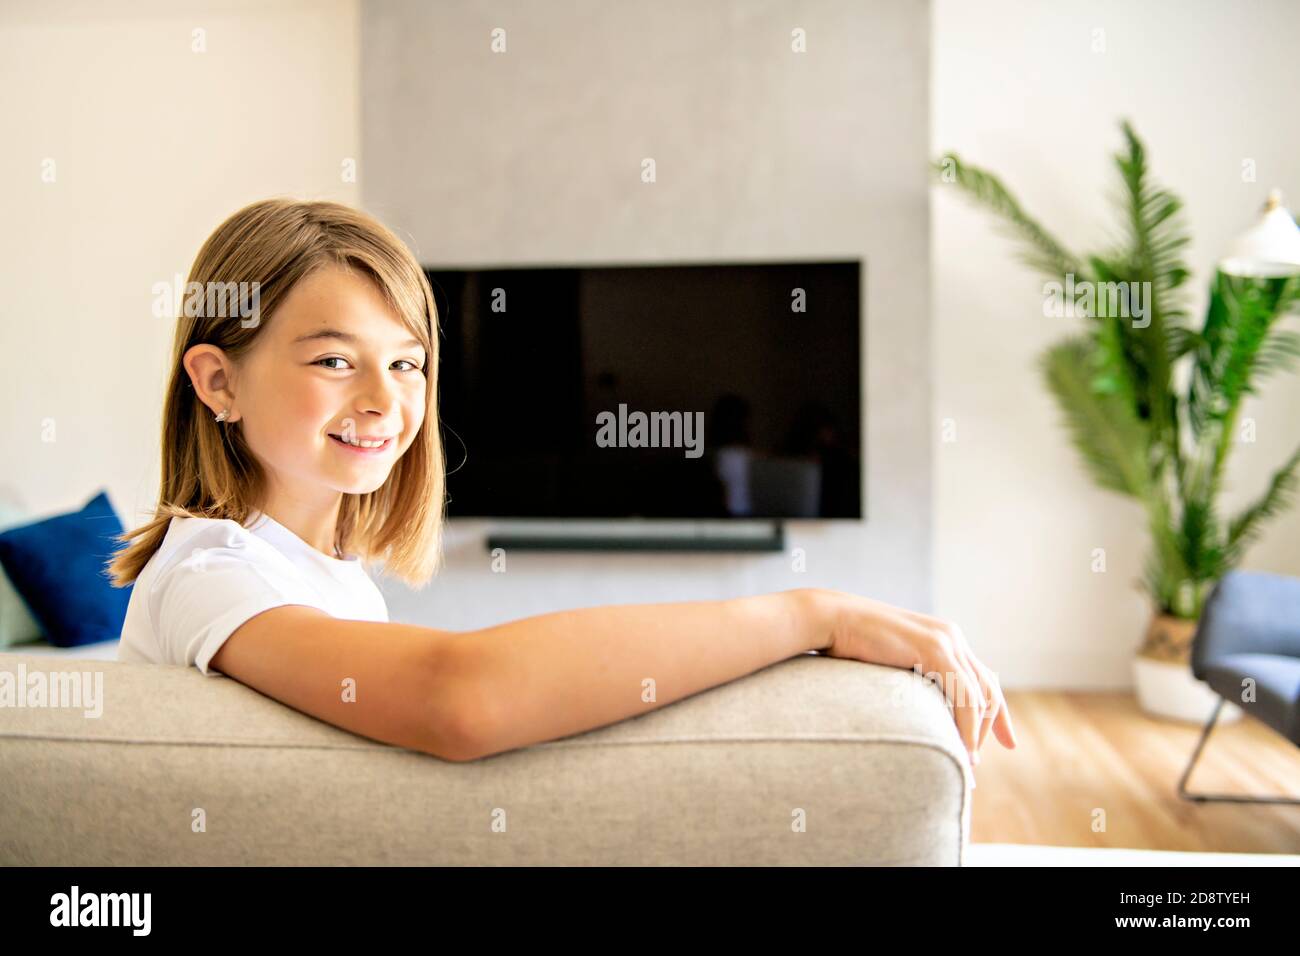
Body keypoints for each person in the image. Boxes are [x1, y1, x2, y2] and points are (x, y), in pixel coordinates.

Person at [109, 198, 1016, 769]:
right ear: (218, 383)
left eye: (409, 362)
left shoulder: (323, 574)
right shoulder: (209, 574)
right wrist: (811, 614)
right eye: (335, 360)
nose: (386, 398)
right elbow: (457, 698)